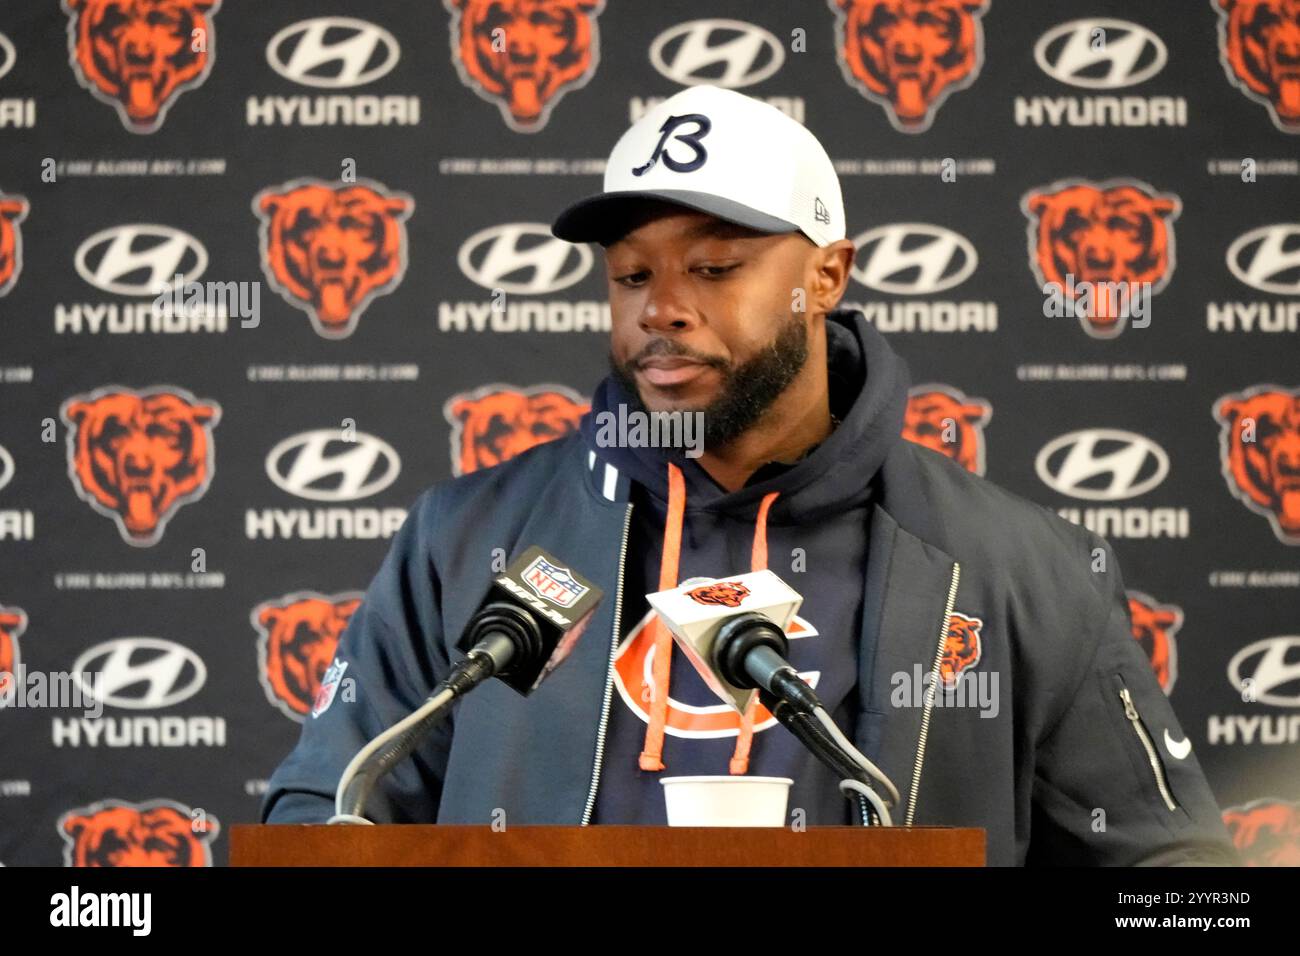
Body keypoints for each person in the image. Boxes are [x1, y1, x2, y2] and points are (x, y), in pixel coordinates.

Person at [262, 84, 1239, 865]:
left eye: (716, 267)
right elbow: (323, 809)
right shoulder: (465, 537)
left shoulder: (1011, 561)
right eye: (633, 275)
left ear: (825, 274)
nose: (662, 309)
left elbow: (1168, 869)